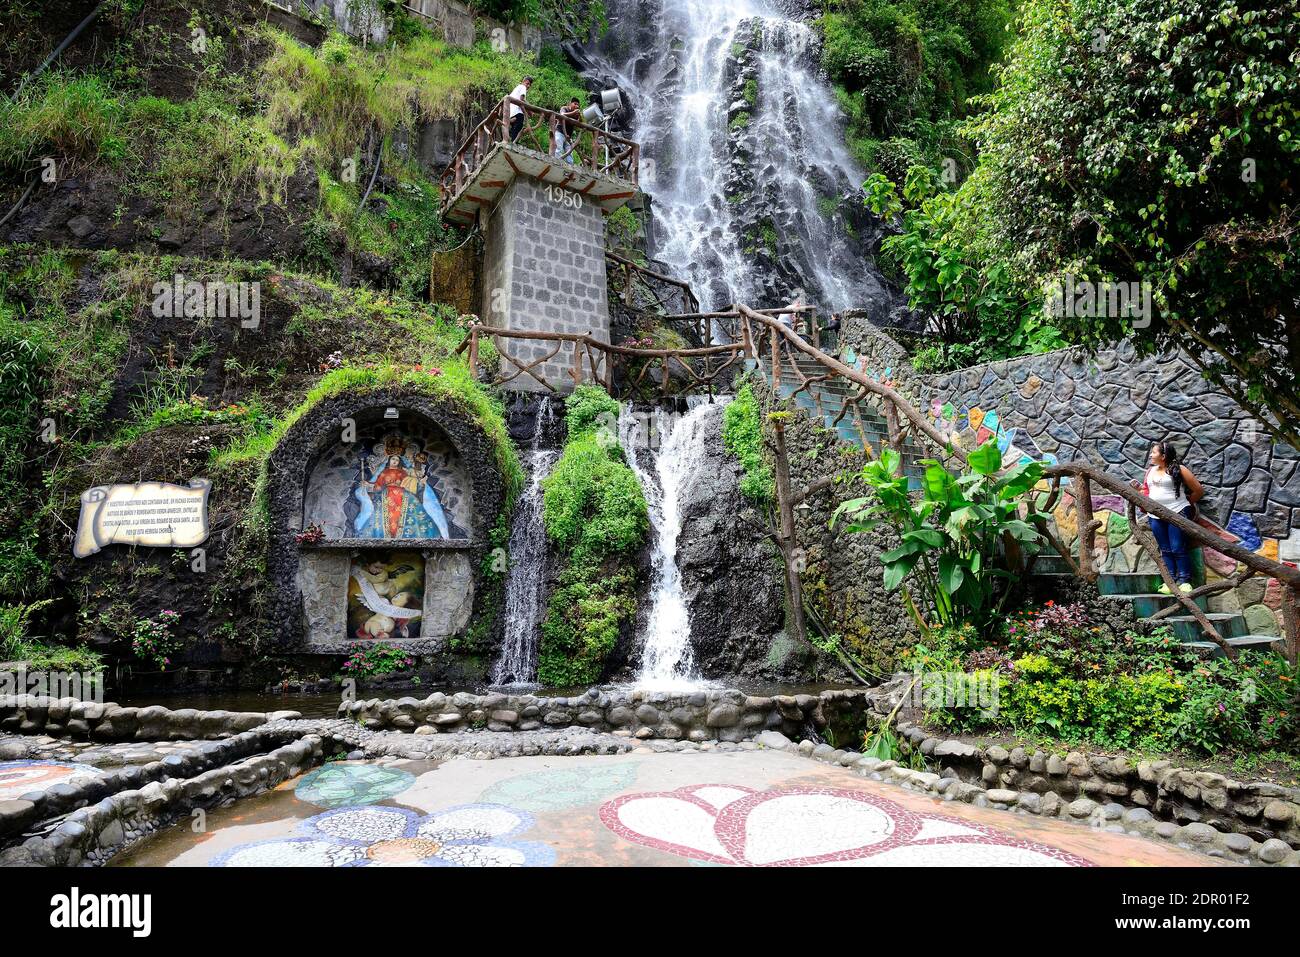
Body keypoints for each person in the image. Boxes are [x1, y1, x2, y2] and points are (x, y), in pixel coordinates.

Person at [1139, 439, 1204, 594]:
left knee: (1177, 547)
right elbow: (1147, 490)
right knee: (1165, 549)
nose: (1151, 455)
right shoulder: (1151, 471)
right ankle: (1170, 582)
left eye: (1154, 452)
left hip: (1177, 512)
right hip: (1155, 516)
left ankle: (1184, 580)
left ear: (1163, 455)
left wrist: (1186, 503)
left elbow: (1198, 490)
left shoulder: (1179, 469)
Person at [554, 97, 582, 164]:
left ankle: (570, 166)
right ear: (570, 103)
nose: (576, 106)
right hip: (559, 132)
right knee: (558, 149)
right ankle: (557, 163)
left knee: (569, 153)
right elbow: (562, 115)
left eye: (578, 105)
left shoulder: (576, 114)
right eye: (575, 104)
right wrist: (573, 112)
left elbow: (580, 122)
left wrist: (579, 116)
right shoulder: (565, 108)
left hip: (569, 136)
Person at [508, 76, 533, 142]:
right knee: (517, 129)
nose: (528, 86)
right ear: (523, 82)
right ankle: (514, 144)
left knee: (514, 130)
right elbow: (522, 99)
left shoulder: (515, 89)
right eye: (527, 83)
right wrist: (529, 110)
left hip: (512, 113)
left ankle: (512, 143)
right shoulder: (523, 87)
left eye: (529, 85)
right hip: (518, 112)